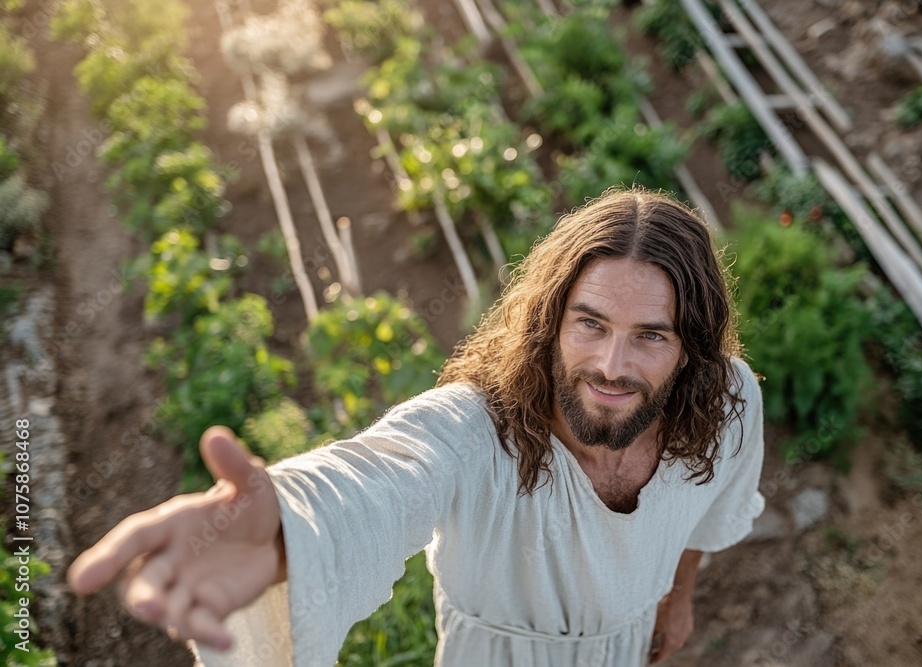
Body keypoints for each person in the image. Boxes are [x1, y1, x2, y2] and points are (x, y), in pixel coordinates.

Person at [68, 187, 765, 666]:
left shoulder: (726, 402)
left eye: (650, 336)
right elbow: (381, 476)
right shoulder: (479, 429)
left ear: (692, 349)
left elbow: (707, 513)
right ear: (551, 322)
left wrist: (678, 598)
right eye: (591, 324)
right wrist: (285, 527)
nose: (611, 366)